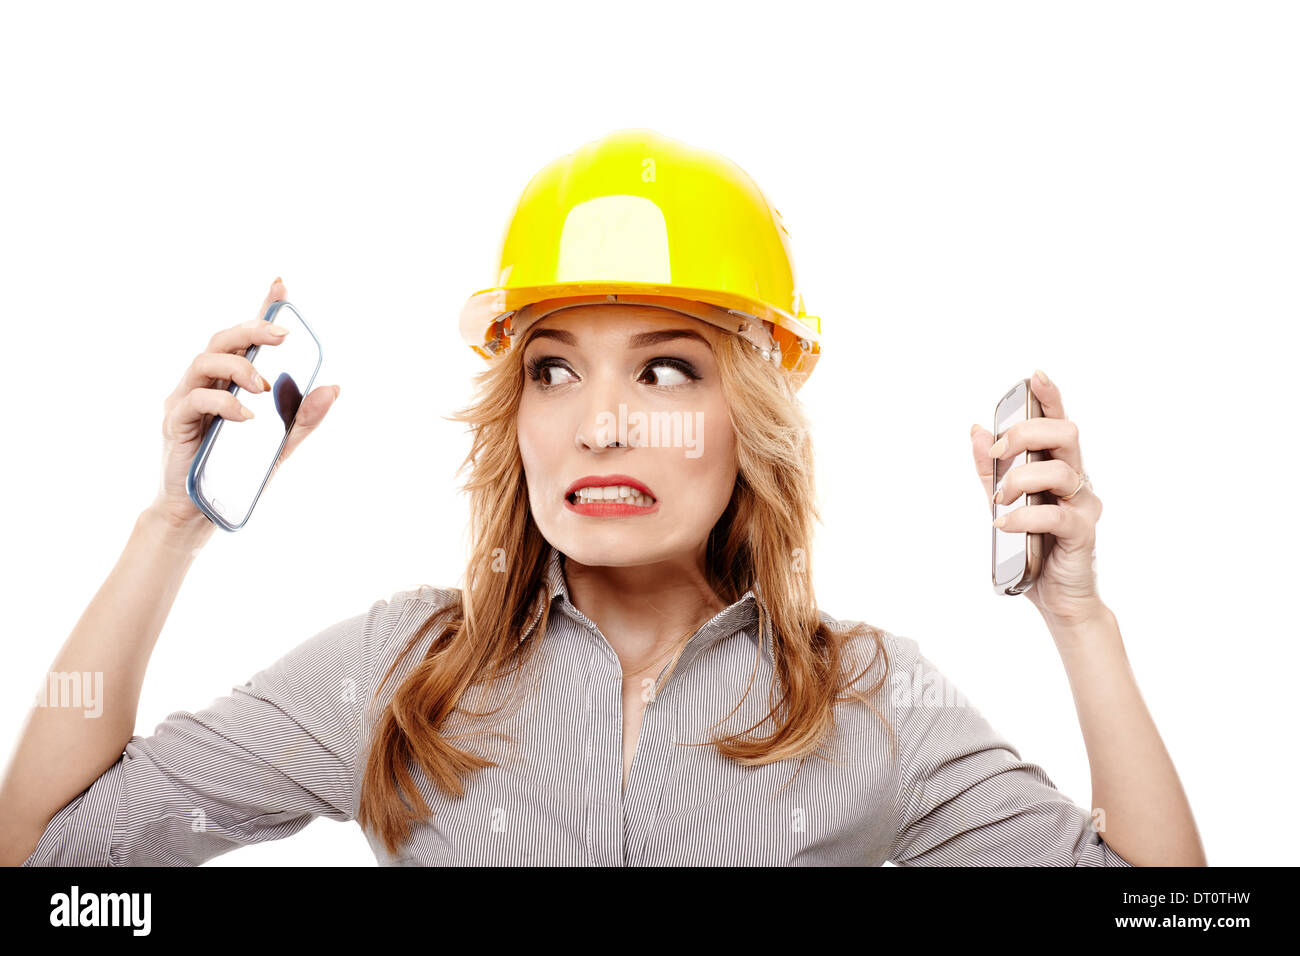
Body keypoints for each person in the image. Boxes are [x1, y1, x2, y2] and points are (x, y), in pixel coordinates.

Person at [0, 129, 1204, 866]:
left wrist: (1079, 620)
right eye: (554, 368)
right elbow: (45, 856)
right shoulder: (399, 673)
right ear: (514, 414)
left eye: (665, 367)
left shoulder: (871, 704)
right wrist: (171, 523)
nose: (600, 421)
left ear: (753, 416)